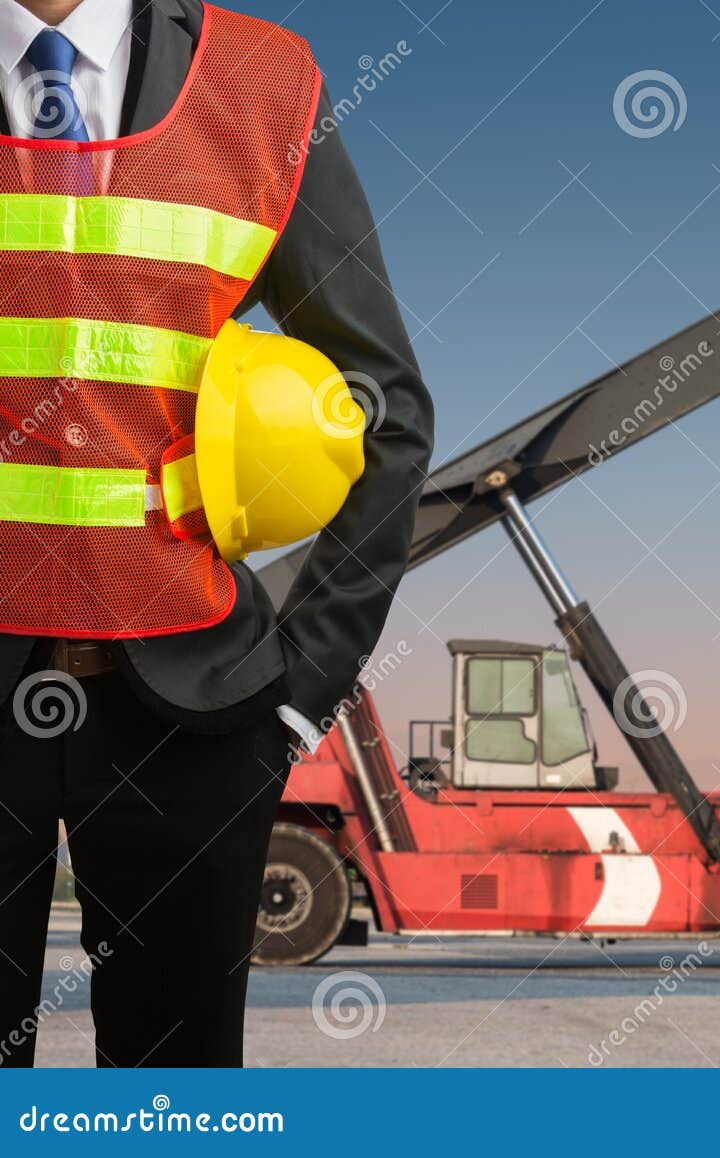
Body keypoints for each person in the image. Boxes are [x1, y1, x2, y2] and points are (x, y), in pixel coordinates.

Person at [0, 0, 432, 1067]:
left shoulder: (266, 80)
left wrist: (299, 693)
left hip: (194, 709)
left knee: (174, 1100)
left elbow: (384, 406)